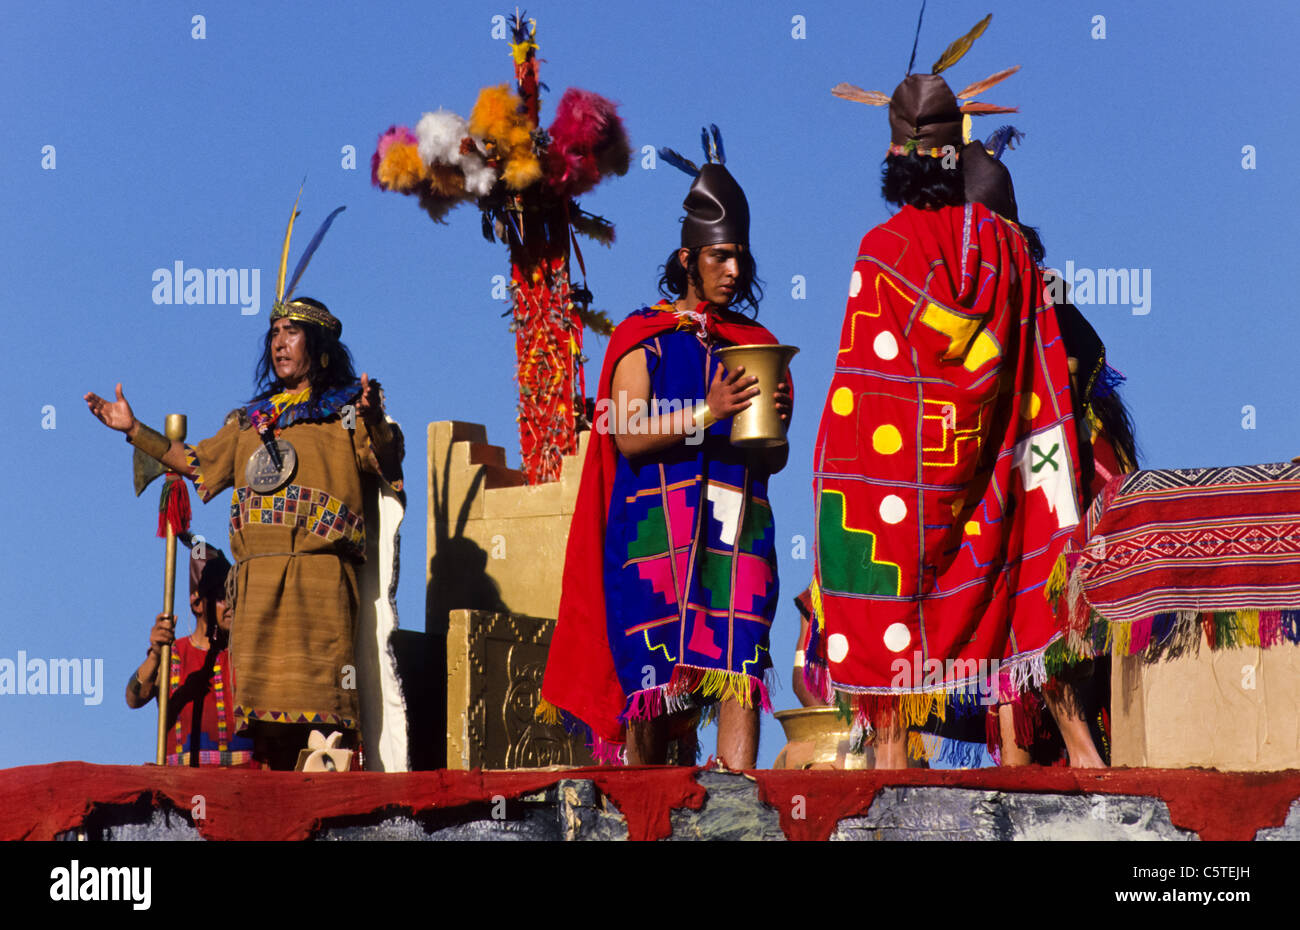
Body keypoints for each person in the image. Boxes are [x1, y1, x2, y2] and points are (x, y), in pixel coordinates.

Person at [810, 16, 1105, 769]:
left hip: (898, 500)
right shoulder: (1009, 247)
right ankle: (1088, 760)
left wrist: (838, 481)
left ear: (893, 157)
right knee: (1029, 597)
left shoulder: (879, 253)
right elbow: (1041, 381)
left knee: (887, 676)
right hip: (1000, 488)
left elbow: (861, 400)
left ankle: (886, 772)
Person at [88, 201, 407, 770]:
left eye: (293, 333)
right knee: (265, 736)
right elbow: (196, 465)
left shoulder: (345, 417)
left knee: (326, 734)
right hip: (257, 591)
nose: (280, 342)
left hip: (320, 583)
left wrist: (376, 419)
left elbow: (386, 461)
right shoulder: (248, 424)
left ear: (320, 347)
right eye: (275, 333)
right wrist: (134, 429)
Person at [540, 128, 791, 768]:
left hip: (738, 530)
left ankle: (741, 809)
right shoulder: (642, 335)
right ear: (688, 258)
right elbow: (626, 431)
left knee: (739, 664)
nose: (734, 270)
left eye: (741, 258)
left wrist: (774, 424)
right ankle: (644, 810)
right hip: (653, 532)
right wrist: (713, 410)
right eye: (720, 257)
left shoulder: (755, 340)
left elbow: (774, 459)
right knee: (651, 680)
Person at [126, 542, 257, 767]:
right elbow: (133, 698)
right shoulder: (173, 654)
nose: (231, 604)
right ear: (197, 604)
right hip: (185, 790)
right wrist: (156, 655)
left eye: (235, 596)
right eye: (221, 596)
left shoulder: (249, 655)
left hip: (245, 788)